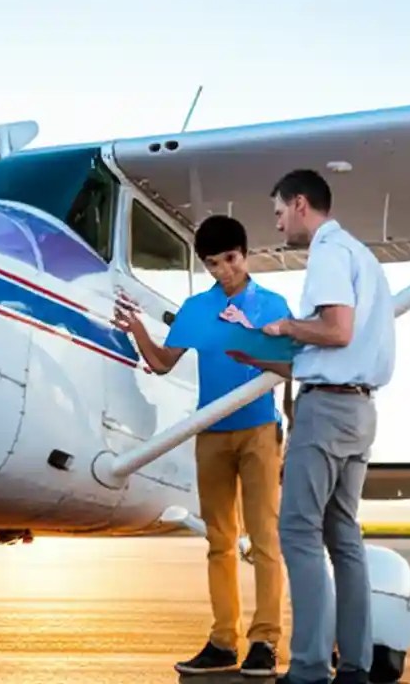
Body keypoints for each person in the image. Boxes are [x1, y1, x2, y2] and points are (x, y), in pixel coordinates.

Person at [228, 169, 396, 684]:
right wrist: (261, 356)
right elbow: (331, 351)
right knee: (342, 534)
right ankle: (355, 667)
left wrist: (281, 327)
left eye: (279, 213)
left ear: (301, 204)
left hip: (325, 413)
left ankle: (306, 669)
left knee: (296, 531)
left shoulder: (327, 252)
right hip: (359, 410)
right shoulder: (363, 258)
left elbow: (335, 331)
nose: (278, 226)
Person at [112, 214, 293, 678]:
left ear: (245, 254)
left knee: (265, 539)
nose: (224, 271)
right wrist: (137, 329)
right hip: (210, 433)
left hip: (259, 432)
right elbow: (161, 364)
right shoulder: (195, 309)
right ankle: (222, 641)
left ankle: (265, 642)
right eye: (214, 264)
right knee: (219, 541)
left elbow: (293, 368)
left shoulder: (273, 304)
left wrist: (248, 339)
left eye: (230, 260)